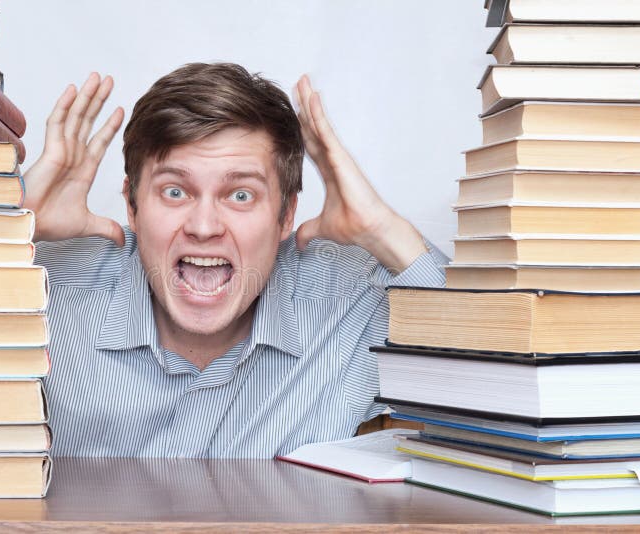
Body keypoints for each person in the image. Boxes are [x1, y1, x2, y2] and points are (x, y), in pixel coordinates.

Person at [24, 63, 446, 457]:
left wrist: (384, 231)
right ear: (132, 208)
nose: (204, 226)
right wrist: (6, 229)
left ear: (286, 215)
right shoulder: (41, 287)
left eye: (240, 195)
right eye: (175, 191)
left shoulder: (345, 298)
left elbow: (499, 372)